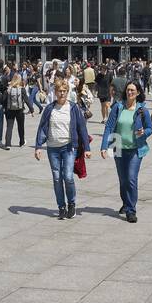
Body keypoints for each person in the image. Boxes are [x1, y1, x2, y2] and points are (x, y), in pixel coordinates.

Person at [33, 78, 92, 220]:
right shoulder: (49, 109)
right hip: (53, 148)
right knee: (57, 178)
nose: (62, 94)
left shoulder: (73, 108)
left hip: (69, 147)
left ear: (67, 92)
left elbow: (81, 128)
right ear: (55, 92)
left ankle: (72, 204)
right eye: (59, 91)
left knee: (68, 176)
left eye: (64, 91)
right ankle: (61, 206)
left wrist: (87, 148)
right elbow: (42, 128)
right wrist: (38, 146)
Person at [101, 80, 152, 223]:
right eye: (128, 90)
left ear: (138, 93)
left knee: (131, 179)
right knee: (123, 180)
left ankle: (131, 210)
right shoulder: (118, 107)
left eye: (133, 90)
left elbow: (150, 128)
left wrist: (144, 132)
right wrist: (104, 146)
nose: (130, 92)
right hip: (118, 146)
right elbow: (109, 127)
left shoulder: (142, 110)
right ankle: (126, 202)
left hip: (136, 149)